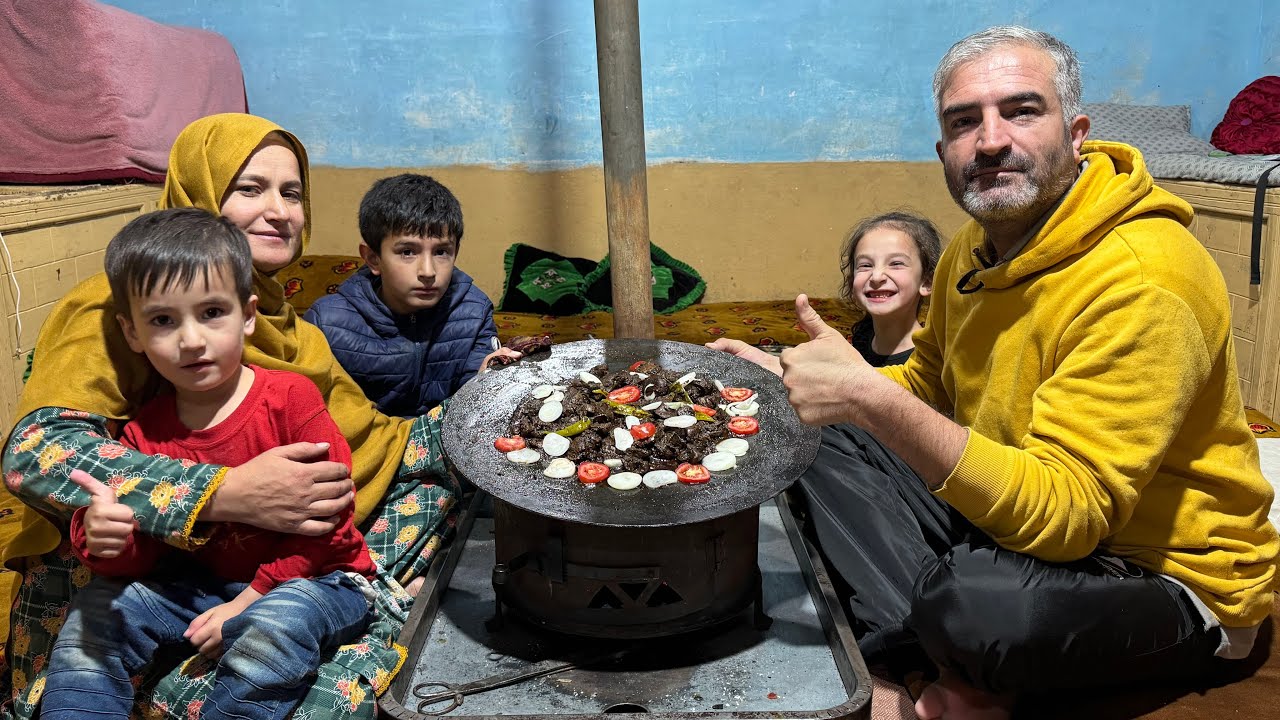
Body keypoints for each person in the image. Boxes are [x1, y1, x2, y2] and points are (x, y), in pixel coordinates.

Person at [710, 26, 1278, 720]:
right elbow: (925, 389)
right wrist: (806, 381)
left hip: (1162, 572)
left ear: (1076, 135)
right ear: (942, 150)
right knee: (822, 431)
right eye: (963, 122)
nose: (990, 141)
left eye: (1021, 110)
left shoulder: (1143, 277)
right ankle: (929, 667)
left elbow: (1069, 516)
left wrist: (866, 395)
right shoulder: (969, 255)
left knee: (979, 602)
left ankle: (945, 661)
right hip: (1017, 520)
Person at [2, 114, 457, 719]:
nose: (279, 212)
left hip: (292, 556)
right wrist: (226, 492)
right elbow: (40, 452)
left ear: (242, 314)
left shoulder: (288, 330)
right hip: (162, 566)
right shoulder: (119, 305)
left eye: (291, 193)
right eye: (249, 189)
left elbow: (374, 440)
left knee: (467, 449)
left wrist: (489, 400)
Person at [39, 208, 378, 720]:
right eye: (162, 320)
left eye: (212, 312)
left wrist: (249, 604)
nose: (191, 339)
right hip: (196, 586)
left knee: (274, 627)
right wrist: (109, 540)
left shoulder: (290, 398)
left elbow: (330, 522)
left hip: (319, 579)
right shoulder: (141, 433)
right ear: (131, 333)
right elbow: (142, 560)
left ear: (248, 315)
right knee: (94, 620)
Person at [304, 173, 515, 417]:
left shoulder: (473, 311)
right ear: (373, 258)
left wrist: (487, 378)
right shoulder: (327, 324)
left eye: (441, 252)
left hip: (444, 441)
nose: (428, 271)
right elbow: (318, 415)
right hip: (368, 447)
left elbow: (470, 406)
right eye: (407, 252)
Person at [839, 212, 942, 367]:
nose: (876, 276)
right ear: (852, 282)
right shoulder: (861, 338)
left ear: (927, 282)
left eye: (895, 263)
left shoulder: (929, 362)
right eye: (866, 265)